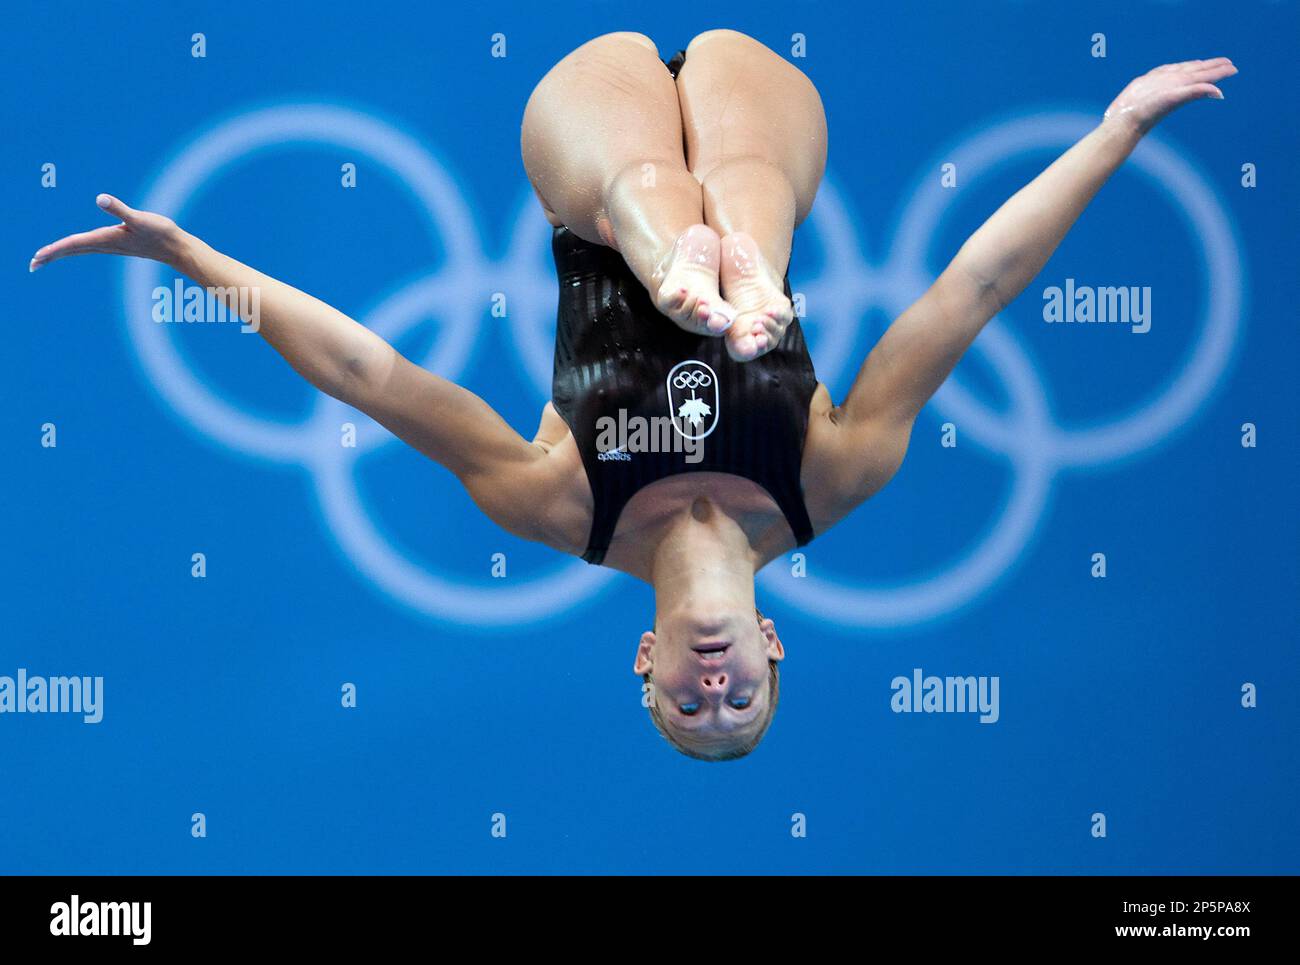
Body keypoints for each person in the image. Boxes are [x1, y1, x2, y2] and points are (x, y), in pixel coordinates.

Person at [29, 30, 1236, 760]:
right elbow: (972, 290)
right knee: (751, 187)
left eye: (688, 701)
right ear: (770, 645)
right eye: (739, 697)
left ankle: (684, 264)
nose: (713, 685)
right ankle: (740, 266)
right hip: (755, 139)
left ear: (645, 658)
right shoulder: (831, 475)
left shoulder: (560, 503)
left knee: (640, 188)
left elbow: (367, 376)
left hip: (595, 156)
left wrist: (197, 263)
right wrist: (1115, 129)